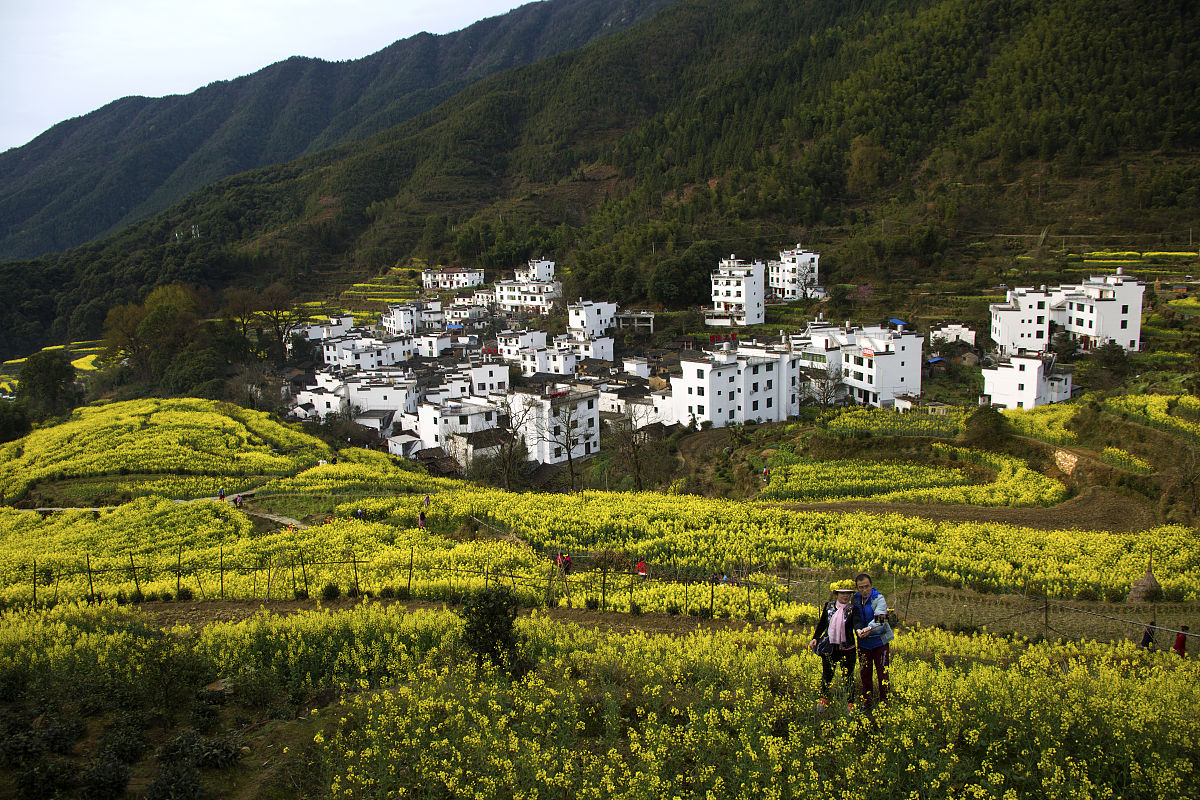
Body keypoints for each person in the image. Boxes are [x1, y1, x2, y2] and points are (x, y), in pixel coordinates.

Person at [810, 582, 862, 709]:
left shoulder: (853, 609)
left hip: (847, 648)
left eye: (848, 593)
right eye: (842, 593)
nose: (845, 596)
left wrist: (859, 631)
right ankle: (823, 698)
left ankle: (850, 703)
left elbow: (857, 623)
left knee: (848, 676)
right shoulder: (829, 606)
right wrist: (815, 638)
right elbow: (822, 623)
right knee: (827, 674)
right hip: (830, 647)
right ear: (837, 594)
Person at [852, 572, 893, 707]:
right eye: (861, 587)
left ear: (871, 586)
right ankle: (867, 703)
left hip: (879, 642)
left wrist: (867, 629)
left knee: (883, 674)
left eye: (867, 587)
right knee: (865, 674)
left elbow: (882, 618)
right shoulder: (855, 599)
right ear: (857, 588)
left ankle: (884, 703)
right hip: (863, 643)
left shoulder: (878, 598)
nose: (864, 590)